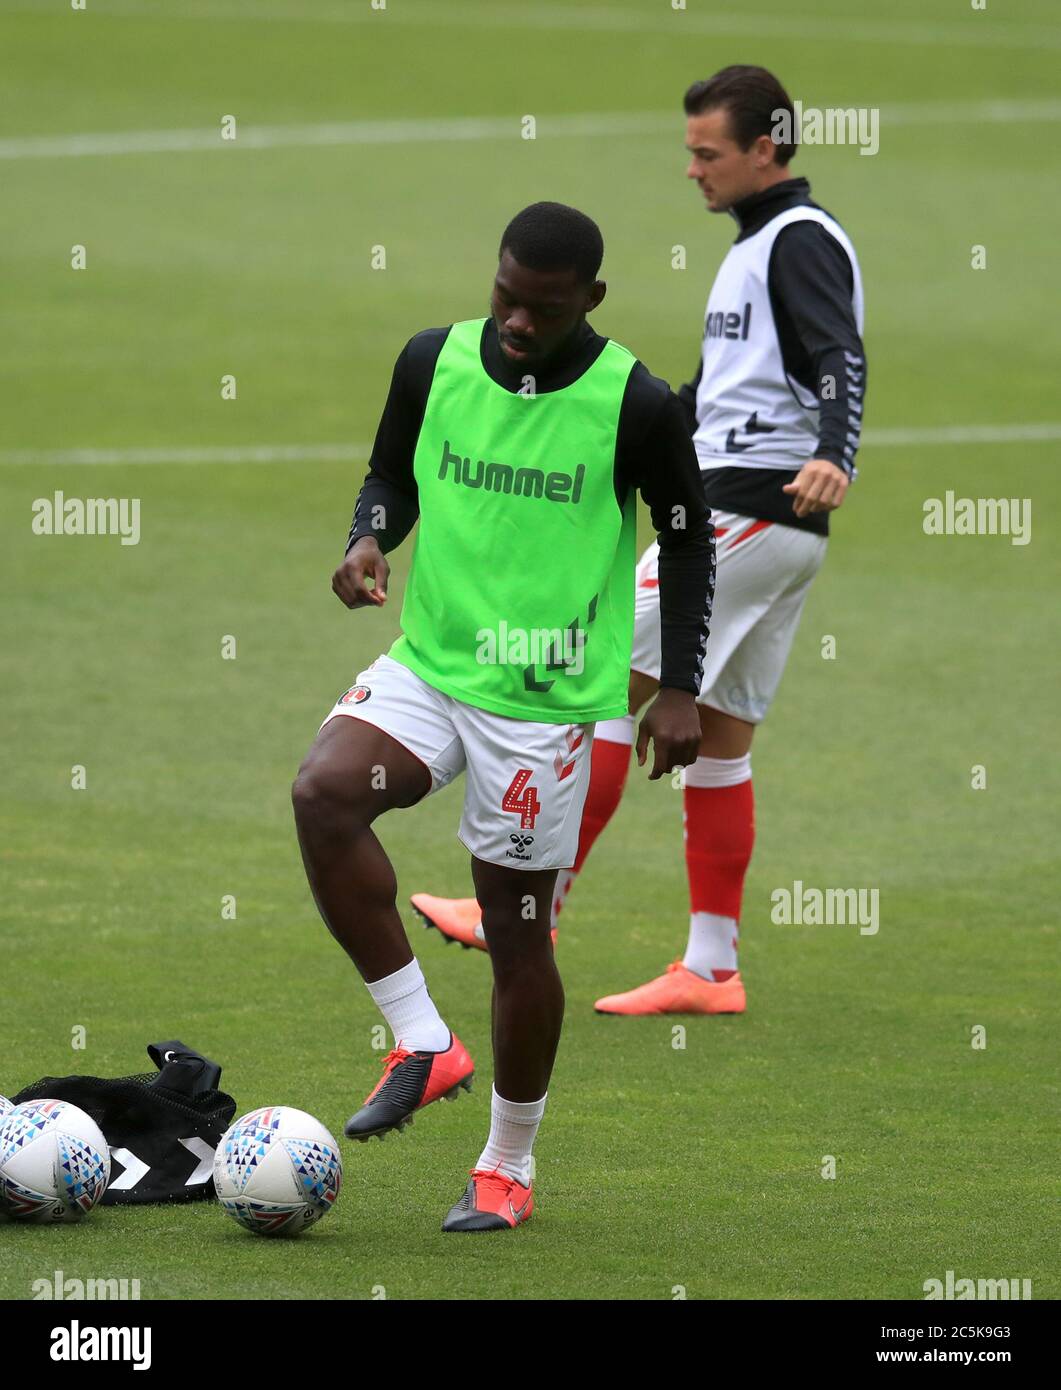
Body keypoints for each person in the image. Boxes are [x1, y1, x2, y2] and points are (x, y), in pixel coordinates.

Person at [292, 201, 714, 1231]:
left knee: (520, 938)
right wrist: (367, 539)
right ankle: (423, 1041)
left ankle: (507, 1164)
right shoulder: (431, 360)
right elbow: (391, 474)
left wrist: (681, 689)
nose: (518, 322)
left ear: (589, 302)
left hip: (543, 707)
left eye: (544, 307)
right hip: (434, 665)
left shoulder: (635, 404)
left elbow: (690, 538)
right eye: (506, 298)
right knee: (323, 793)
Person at [412, 66, 867, 1019]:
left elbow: (837, 354)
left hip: (750, 505)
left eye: (707, 153)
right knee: (720, 742)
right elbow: (709, 393)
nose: (693, 170)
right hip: (783, 530)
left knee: (601, 681)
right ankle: (709, 969)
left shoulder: (799, 241)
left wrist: (836, 449)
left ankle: (526, 914)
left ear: (765, 149)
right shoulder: (755, 249)